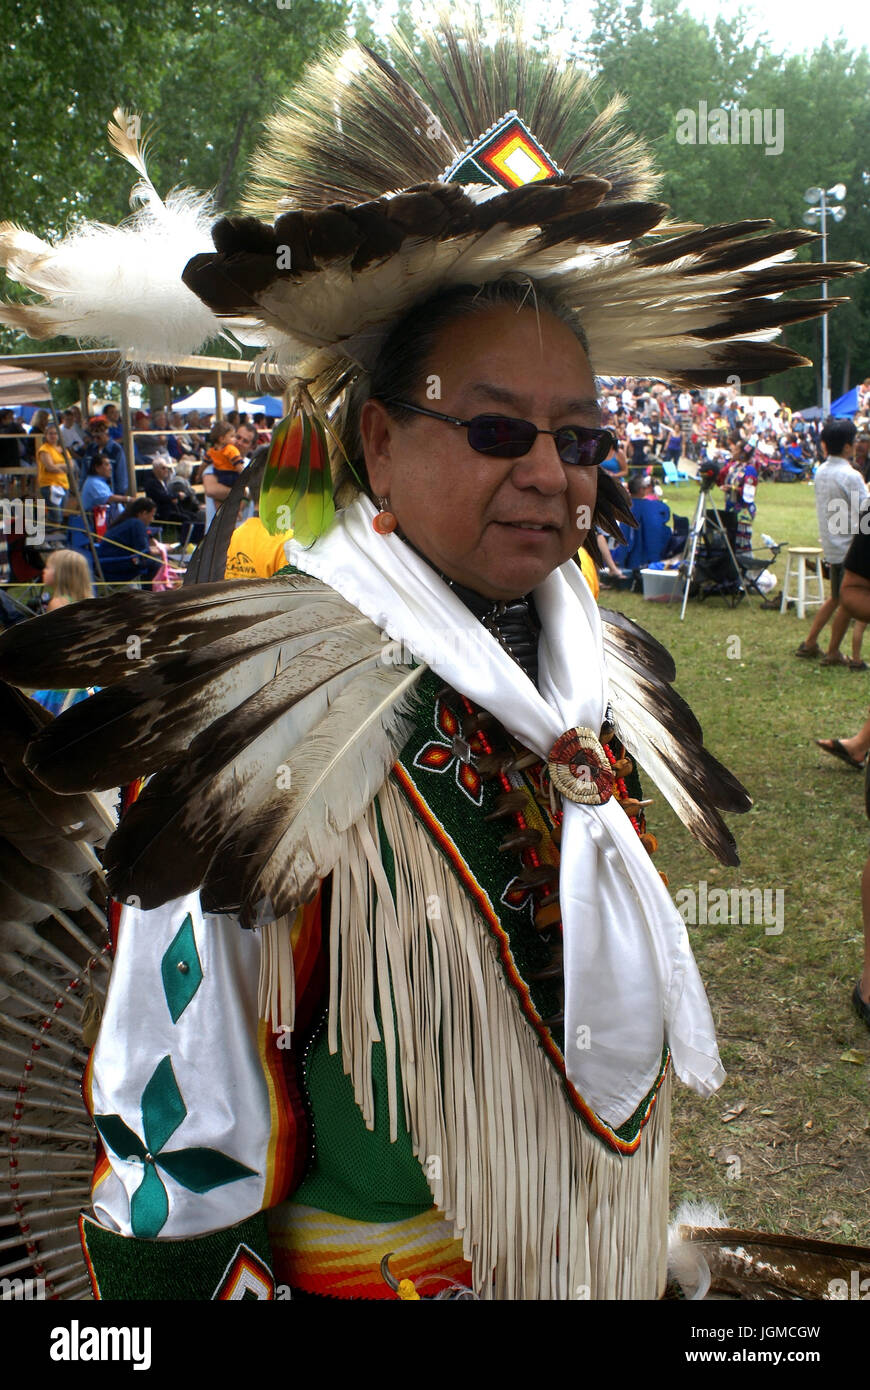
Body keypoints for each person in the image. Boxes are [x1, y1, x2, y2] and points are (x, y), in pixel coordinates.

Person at [0, 14, 856, 1303]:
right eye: (497, 428)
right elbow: (176, 1157)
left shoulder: (597, 676)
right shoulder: (262, 717)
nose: (551, 474)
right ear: (378, 446)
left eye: (579, 438)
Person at [796, 420, 866, 667]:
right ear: (848, 446)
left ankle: (811, 642)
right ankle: (833, 651)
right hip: (851, 548)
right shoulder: (851, 476)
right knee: (846, 600)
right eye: (855, 441)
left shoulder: (822, 471)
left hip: (833, 545)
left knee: (837, 598)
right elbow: (866, 514)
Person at [96, 497, 162, 586]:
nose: (152, 519)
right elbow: (143, 553)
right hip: (113, 567)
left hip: (104, 565)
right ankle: (149, 596)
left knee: (152, 562)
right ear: (143, 513)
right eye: (152, 515)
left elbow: (140, 549)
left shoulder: (126, 522)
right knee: (155, 564)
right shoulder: (136, 524)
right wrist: (162, 549)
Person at [35, 420, 69, 526]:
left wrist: (57, 467)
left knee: (59, 514)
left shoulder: (62, 449)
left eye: (55, 433)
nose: (53, 436)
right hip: (50, 484)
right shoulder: (44, 449)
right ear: (46, 435)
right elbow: (50, 467)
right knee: (56, 515)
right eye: (50, 433)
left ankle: (54, 537)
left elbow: (71, 466)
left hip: (63, 484)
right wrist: (62, 467)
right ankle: (48, 537)